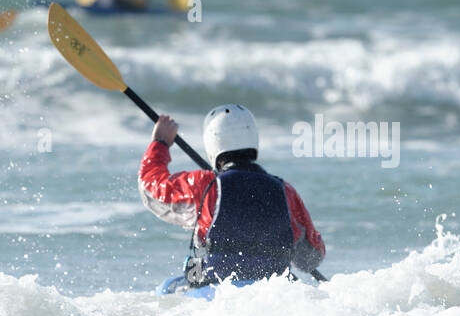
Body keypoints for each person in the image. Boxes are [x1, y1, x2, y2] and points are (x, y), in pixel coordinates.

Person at [139, 104, 326, 286]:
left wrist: (160, 143)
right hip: (273, 293)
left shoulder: (205, 185)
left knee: (169, 287)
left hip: (217, 291)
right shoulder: (285, 191)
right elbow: (312, 257)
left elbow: (151, 189)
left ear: (212, 142)